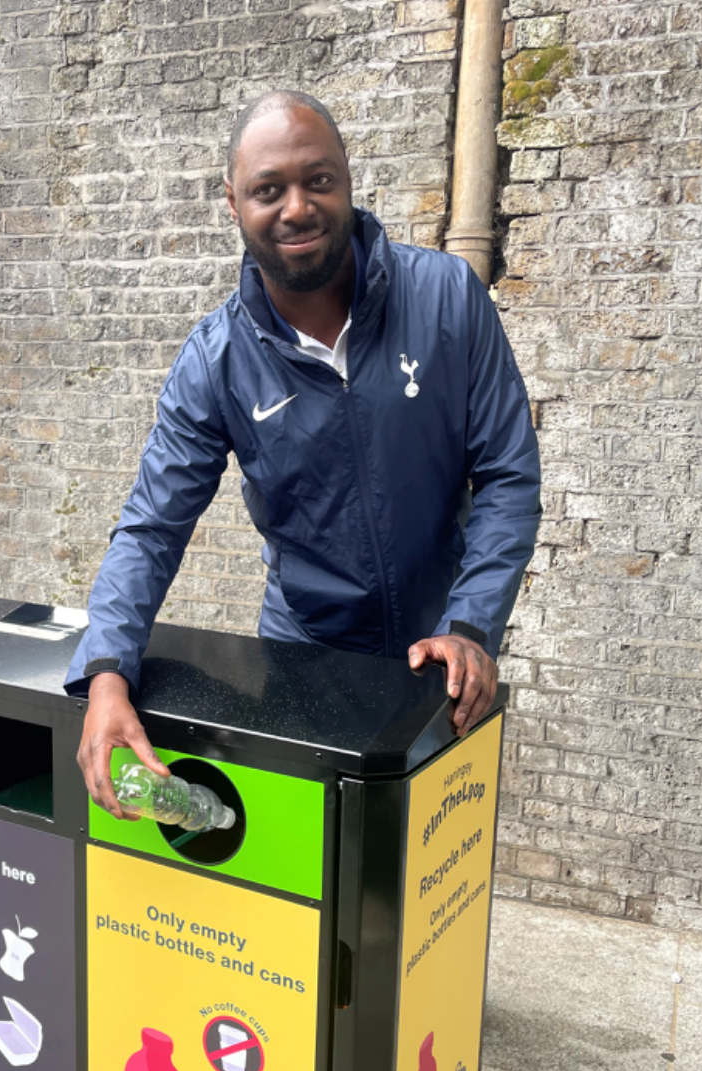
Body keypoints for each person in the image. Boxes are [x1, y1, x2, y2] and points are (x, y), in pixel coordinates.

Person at [68, 91, 541, 817]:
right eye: (268, 189)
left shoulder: (447, 298)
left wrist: (472, 625)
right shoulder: (217, 360)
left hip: (441, 661)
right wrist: (105, 677)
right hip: (304, 661)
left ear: (347, 180)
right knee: (310, 881)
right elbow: (152, 526)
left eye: (318, 180)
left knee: (425, 886)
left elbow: (508, 474)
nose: (296, 207)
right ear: (233, 202)